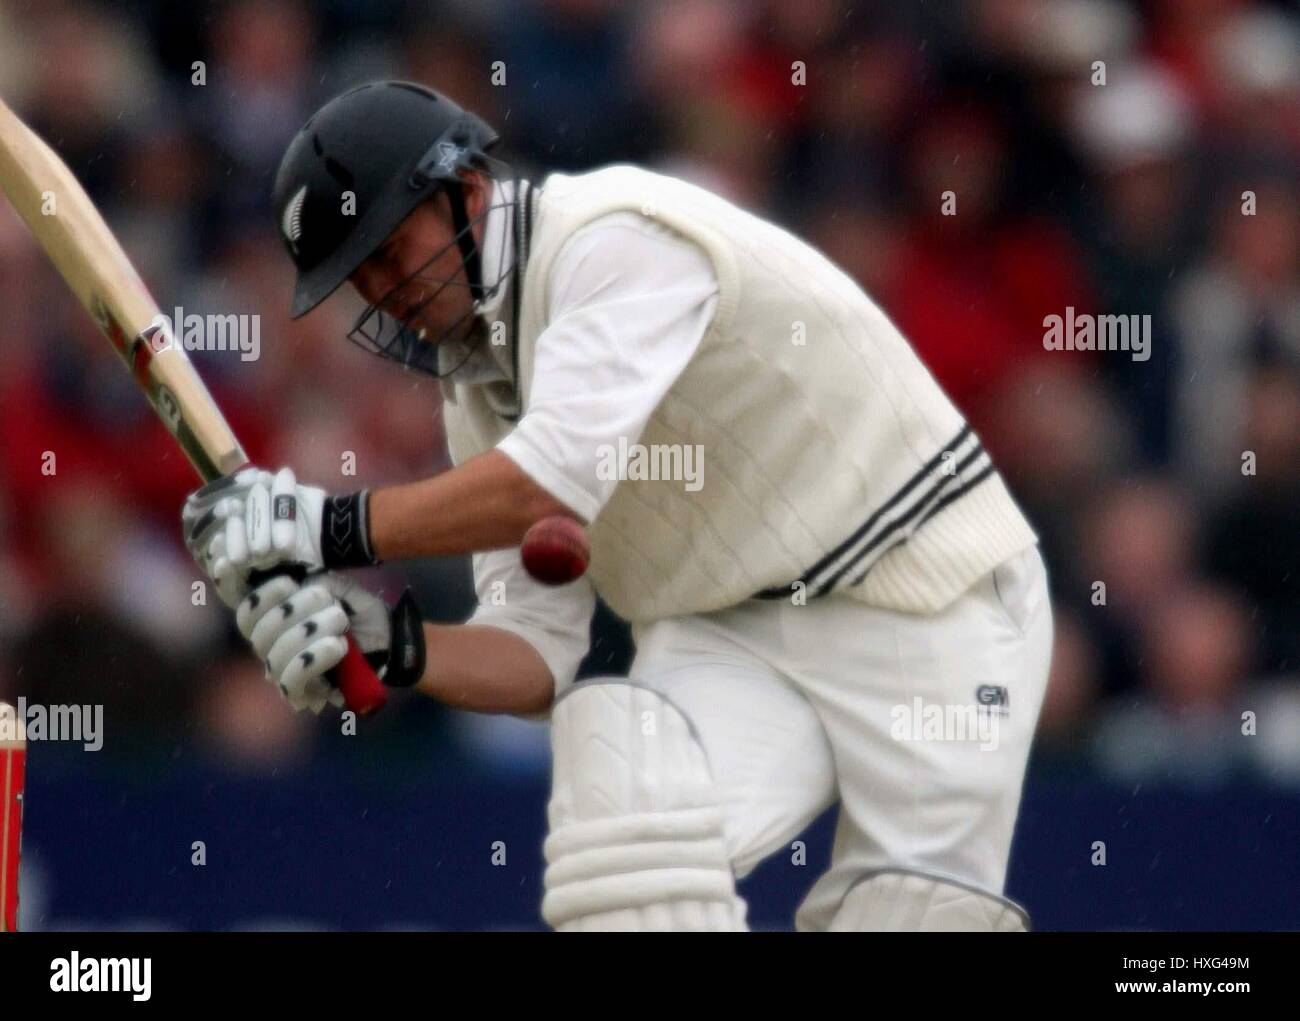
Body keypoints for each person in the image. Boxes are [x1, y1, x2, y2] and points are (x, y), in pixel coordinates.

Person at [183, 80, 1052, 932]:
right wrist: (390, 642)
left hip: (922, 597)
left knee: (907, 919)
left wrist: (323, 526)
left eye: (387, 251)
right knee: (623, 861)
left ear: (468, 192)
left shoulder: (610, 240)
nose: (382, 290)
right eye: (357, 277)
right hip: (725, 632)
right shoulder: (478, 384)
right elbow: (534, 655)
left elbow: (551, 481)